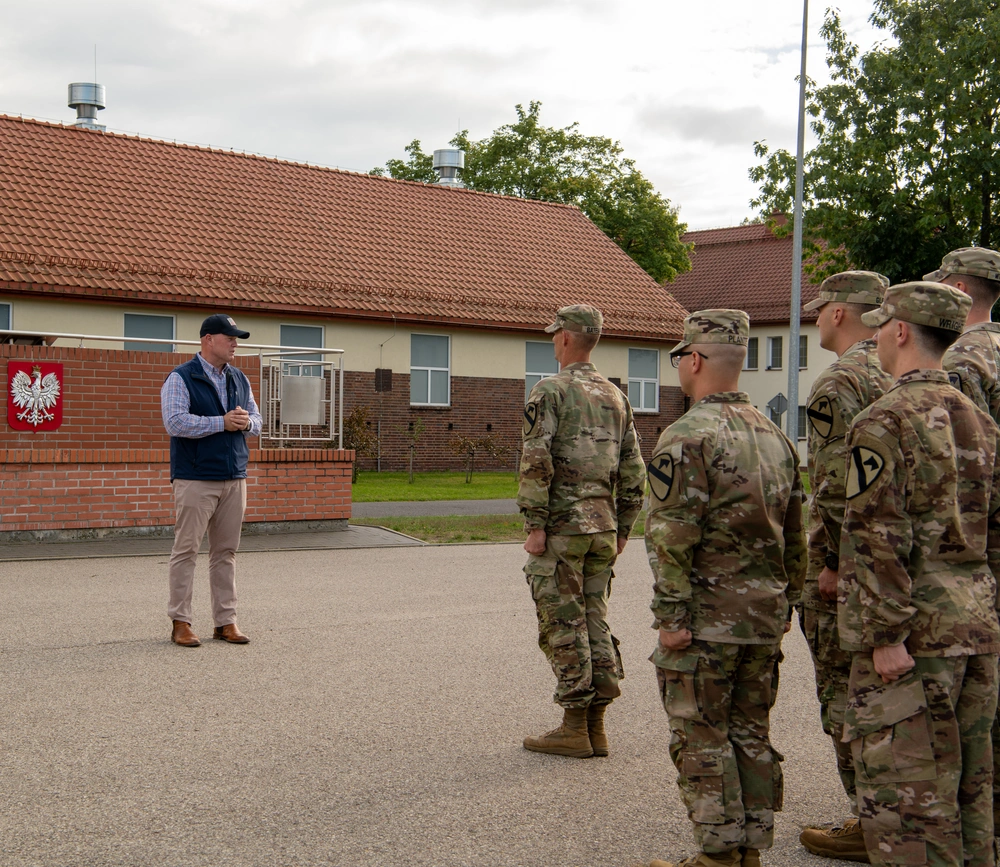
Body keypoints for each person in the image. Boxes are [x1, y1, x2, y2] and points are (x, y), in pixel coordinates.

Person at [838, 282, 1000, 867]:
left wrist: (884, 635)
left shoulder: (883, 420)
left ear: (901, 331)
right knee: (970, 791)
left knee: (908, 804)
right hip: (975, 628)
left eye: (882, 326)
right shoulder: (980, 421)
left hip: (914, 638)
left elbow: (878, 535)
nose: (877, 336)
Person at [645, 309, 805, 867]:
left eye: (678, 359)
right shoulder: (776, 436)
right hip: (762, 616)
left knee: (700, 735)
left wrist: (671, 616)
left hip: (706, 620)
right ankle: (749, 850)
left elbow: (671, 535)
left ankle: (718, 855)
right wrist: (790, 601)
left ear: (693, 360)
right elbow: (796, 531)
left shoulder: (687, 436)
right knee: (750, 732)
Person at [518, 303, 646, 759]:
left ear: (568, 338)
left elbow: (537, 458)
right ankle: (596, 728)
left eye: (555, 334)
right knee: (594, 618)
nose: (553, 341)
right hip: (603, 529)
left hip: (564, 529)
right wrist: (626, 526)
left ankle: (575, 726)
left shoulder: (549, 391)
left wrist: (535, 524)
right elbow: (633, 468)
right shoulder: (616, 396)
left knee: (562, 622)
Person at [797, 272, 892, 863]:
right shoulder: (899, 368)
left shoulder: (840, 382)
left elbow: (835, 485)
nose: (816, 319)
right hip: (902, 560)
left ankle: (867, 819)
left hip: (850, 566)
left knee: (843, 690)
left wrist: (830, 562)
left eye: (821, 309)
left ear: (838, 314)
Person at [930, 247, 1000, 851]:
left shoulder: (962, 360)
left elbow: (963, 466)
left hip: (982, 543)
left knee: (967, 699)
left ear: (955, 290)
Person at [160, 313, 262, 647]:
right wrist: (222, 422)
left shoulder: (239, 379)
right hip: (195, 478)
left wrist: (246, 423)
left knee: (226, 552)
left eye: (237, 338)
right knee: (186, 549)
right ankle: (181, 622)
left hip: (234, 477)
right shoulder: (180, 378)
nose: (235, 343)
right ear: (208, 340)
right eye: (230, 337)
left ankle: (225, 622)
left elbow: (258, 421)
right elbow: (175, 423)